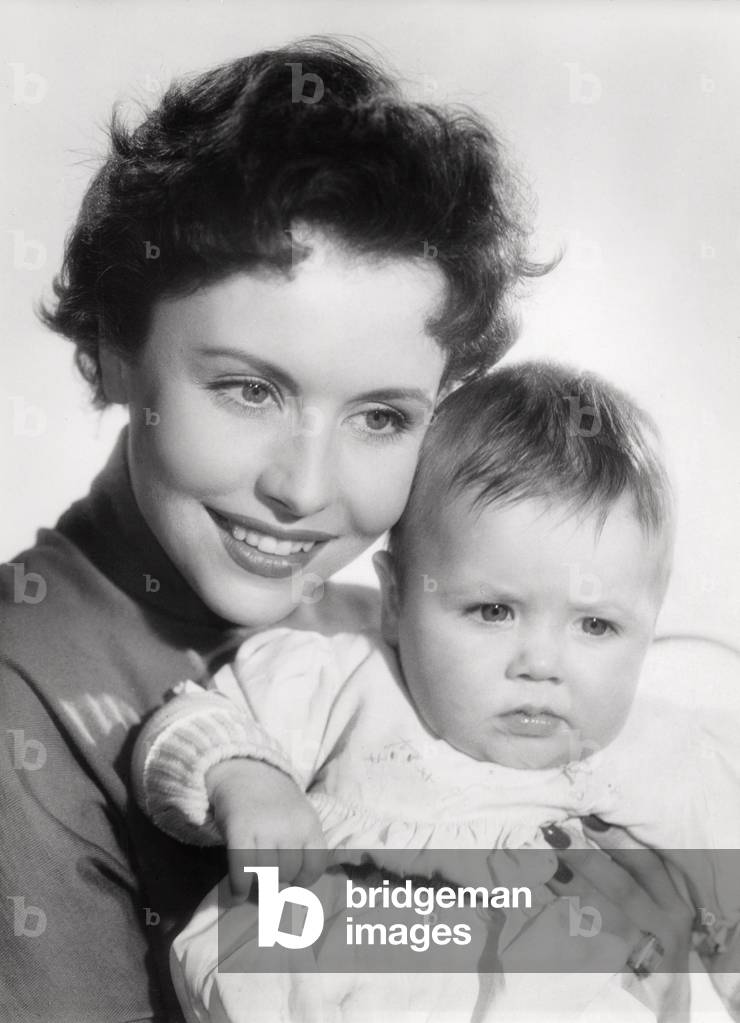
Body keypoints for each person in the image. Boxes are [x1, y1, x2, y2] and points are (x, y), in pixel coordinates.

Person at [0, 38, 548, 1022]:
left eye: (381, 417)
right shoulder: (22, 694)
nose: (303, 488)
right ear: (114, 348)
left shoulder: (381, 636)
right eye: (249, 390)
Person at [134, 362, 737, 1022]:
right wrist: (247, 781)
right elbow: (191, 723)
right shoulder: (352, 681)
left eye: (596, 625)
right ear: (396, 599)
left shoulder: (670, 759)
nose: (541, 664)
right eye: (493, 611)